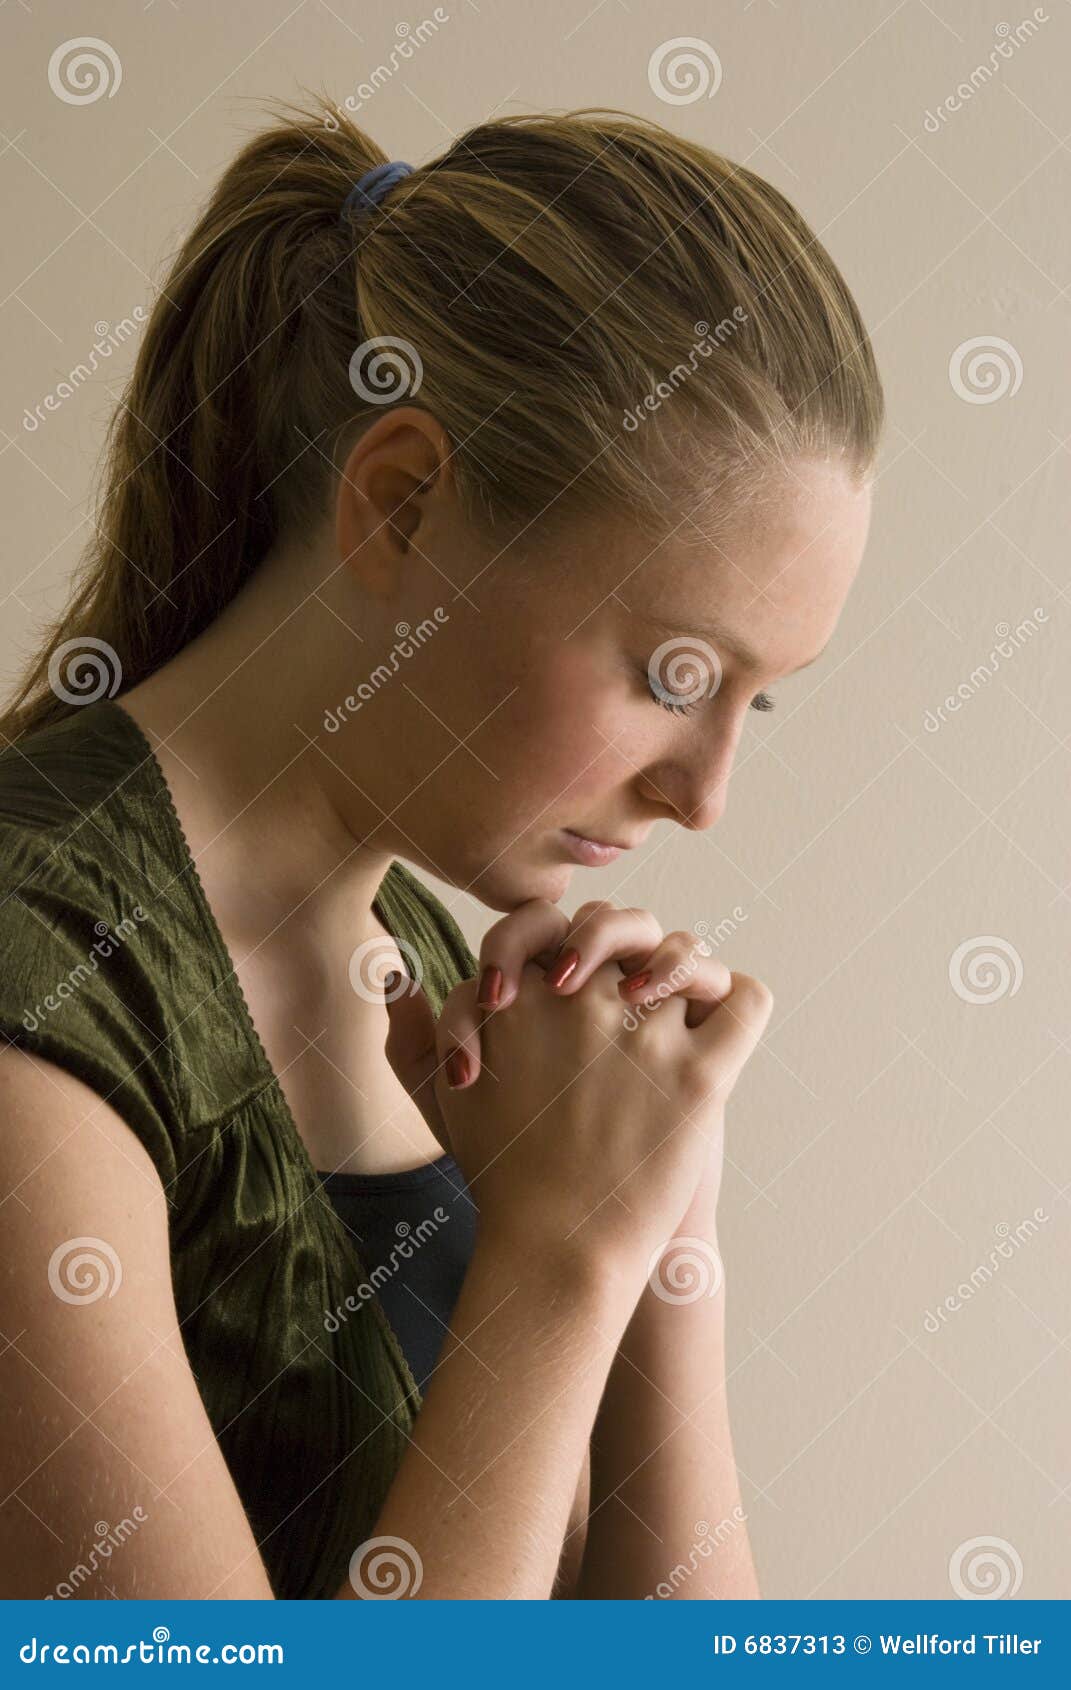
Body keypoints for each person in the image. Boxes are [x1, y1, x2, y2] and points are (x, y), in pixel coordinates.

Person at [0, 94, 881, 1600]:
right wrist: (553, 1263)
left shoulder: (454, 972)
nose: (706, 795)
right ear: (402, 504)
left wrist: (661, 1228)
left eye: (760, 704)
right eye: (676, 674)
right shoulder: (42, 990)